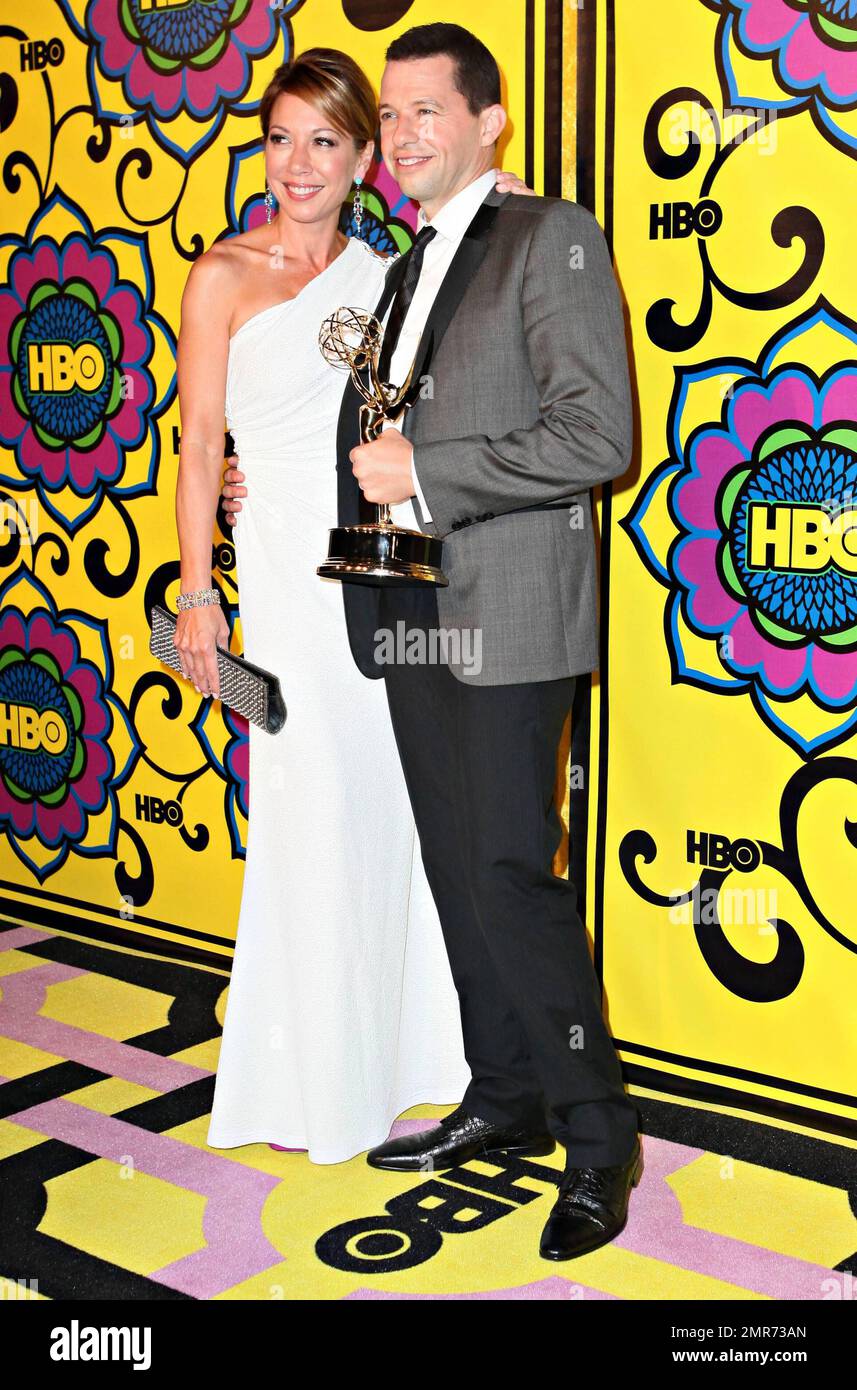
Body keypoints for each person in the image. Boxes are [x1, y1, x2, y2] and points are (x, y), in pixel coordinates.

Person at [222, 24, 641, 1259]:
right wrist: (275, 493)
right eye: (389, 116)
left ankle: (596, 1130)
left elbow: (595, 434)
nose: (402, 134)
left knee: (510, 872)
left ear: (486, 120)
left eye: (424, 111)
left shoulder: (549, 234)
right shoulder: (400, 269)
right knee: (457, 869)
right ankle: (503, 1095)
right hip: (400, 610)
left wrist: (431, 471)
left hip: (506, 614)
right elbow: (368, 429)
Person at [174, 45, 531, 1163]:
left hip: (381, 584)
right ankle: (311, 1082)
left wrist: (502, 212)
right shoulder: (221, 276)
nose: (297, 163)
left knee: (398, 813)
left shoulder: (388, 274)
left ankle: (420, 1060)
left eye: (324, 140)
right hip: (275, 585)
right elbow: (195, 454)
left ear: (366, 157)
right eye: (279, 137)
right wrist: (198, 594)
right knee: (307, 812)